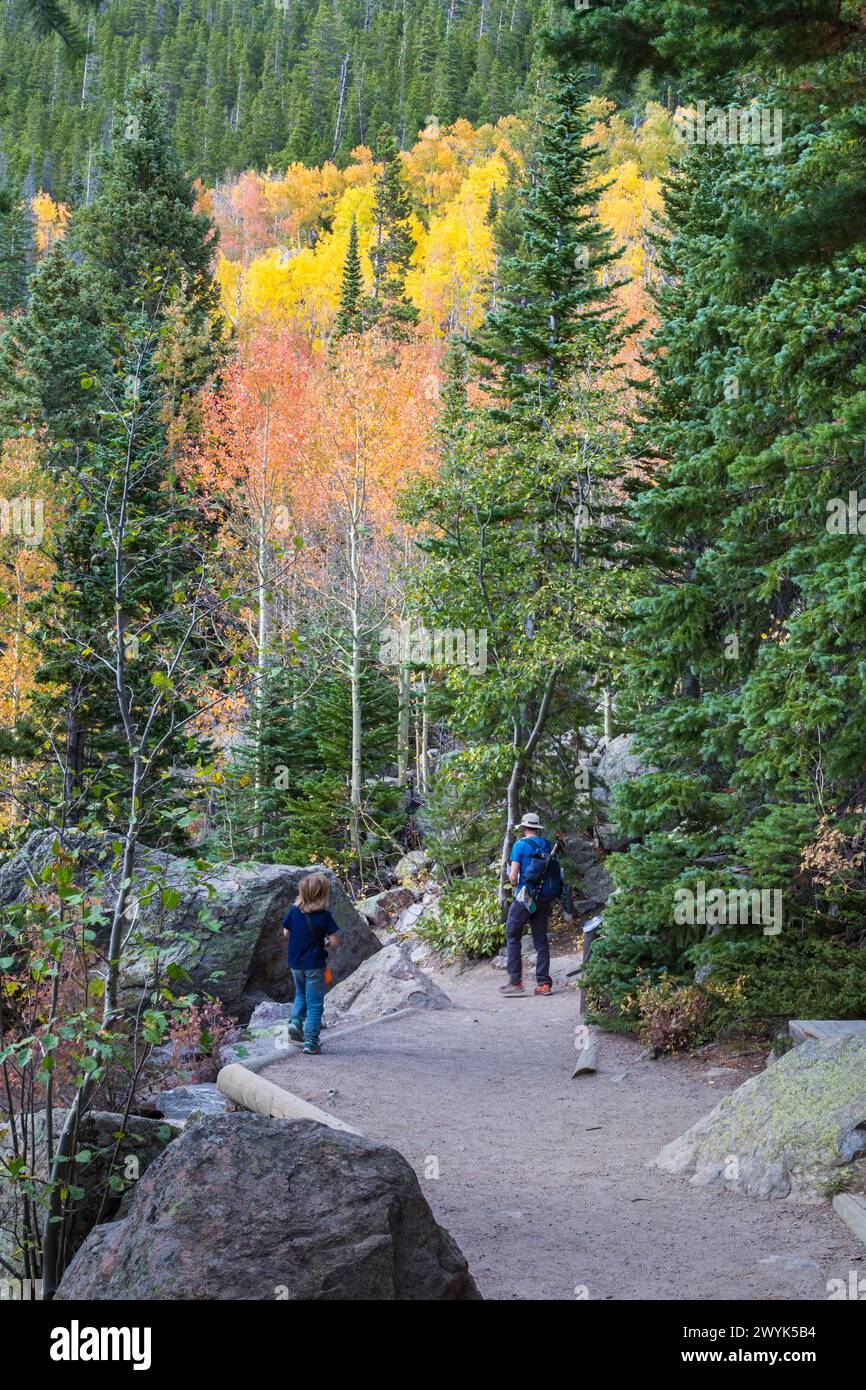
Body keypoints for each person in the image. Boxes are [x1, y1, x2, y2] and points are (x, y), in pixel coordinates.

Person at [500, 812, 562, 997]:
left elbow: (513, 876)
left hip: (525, 897)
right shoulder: (548, 845)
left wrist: (514, 883)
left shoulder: (519, 845)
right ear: (537, 828)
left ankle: (515, 983)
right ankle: (544, 984)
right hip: (544, 898)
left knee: (512, 935)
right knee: (540, 940)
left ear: (524, 827)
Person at [281, 872, 340, 1054]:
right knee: (314, 1005)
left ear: (302, 892)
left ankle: (295, 1021)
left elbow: (285, 933)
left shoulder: (294, 912)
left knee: (300, 993)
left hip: (295, 963)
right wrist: (325, 942)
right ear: (323, 894)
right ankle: (311, 1042)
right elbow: (334, 942)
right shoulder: (324, 916)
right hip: (314, 965)